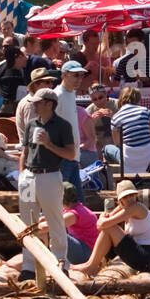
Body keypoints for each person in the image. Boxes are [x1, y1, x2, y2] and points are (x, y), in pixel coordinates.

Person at [18, 88, 77, 281]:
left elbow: (70, 154)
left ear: (49, 104)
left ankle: (61, 262)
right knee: (28, 223)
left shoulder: (62, 126)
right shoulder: (31, 124)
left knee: (55, 219)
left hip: (50, 176)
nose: (34, 105)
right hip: (29, 176)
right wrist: (21, 174)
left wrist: (49, 145)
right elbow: (25, 152)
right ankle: (28, 266)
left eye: (38, 102)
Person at [70, 180, 150, 275]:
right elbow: (105, 222)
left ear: (136, 195)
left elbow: (101, 224)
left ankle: (91, 266)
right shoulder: (124, 207)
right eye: (125, 197)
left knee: (110, 228)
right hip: (139, 253)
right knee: (108, 228)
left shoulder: (136, 207)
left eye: (132, 195)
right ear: (120, 200)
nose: (130, 199)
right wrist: (104, 218)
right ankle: (91, 264)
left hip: (148, 258)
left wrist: (102, 217)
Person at [35, 182, 99, 264]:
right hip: (81, 247)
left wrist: (30, 229)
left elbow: (47, 227)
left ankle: (42, 259)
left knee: (53, 230)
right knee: (44, 219)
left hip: (86, 253)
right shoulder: (71, 207)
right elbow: (49, 217)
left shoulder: (74, 214)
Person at [54, 60, 89, 202]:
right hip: (63, 157)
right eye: (75, 75)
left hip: (72, 157)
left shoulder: (70, 93)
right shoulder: (57, 95)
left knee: (76, 203)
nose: (79, 79)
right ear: (64, 75)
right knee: (61, 200)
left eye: (81, 76)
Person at [0, 45, 27, 115]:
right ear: (18, 57)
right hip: (4, 108)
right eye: (24, 56)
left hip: (16, 107)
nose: (26, 58)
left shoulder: (21, 70)